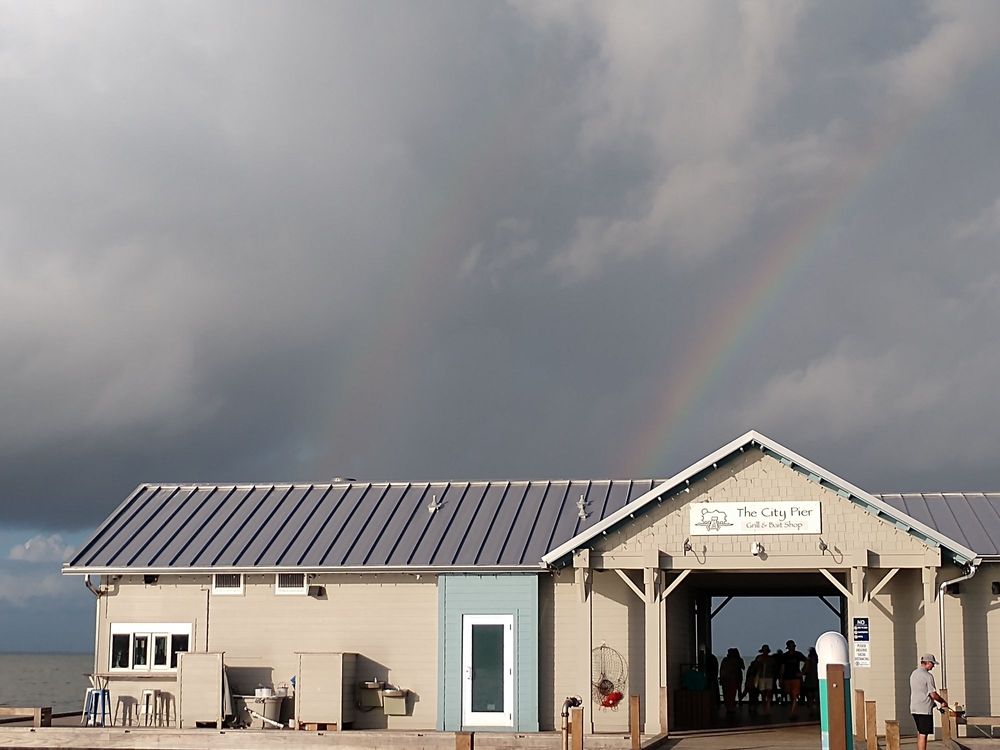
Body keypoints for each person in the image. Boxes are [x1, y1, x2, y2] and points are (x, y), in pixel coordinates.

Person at [910, 654, 950, 750]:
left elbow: (921, 691)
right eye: (932, 664)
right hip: (924, 709)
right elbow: (932, 694)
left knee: (920, 732)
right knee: (924, 734)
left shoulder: (914, 674)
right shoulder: (928, 676)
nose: (933, 666)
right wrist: (942, 701)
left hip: (914, 707)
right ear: (928, 663)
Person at [781, 639, 807, 719]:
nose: (793, 647)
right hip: (787, 677)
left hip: (796, 678)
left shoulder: (798, 654)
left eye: (794, 646)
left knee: (795, 695)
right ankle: (793, 710)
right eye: (791, 646)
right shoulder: (785, 656)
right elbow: (782, 667)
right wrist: (781, 678)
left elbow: (807, 661)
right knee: (790, 695)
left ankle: (792, 712)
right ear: (788, 647)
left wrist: (803, 672)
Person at [719, 647, 745, 715]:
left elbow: (722, 670)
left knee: (728, 693)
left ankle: (729, 706)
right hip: (735, 678)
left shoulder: (725, 660)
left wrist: (721, 678)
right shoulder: (738, 660)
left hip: (730, 678)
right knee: (733, 692)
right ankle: (733, 704)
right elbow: (743, 667)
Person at [753, 645, 776, 715]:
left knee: (769, 693)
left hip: (769, 677)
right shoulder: (759, 658)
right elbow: (754, 667)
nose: (765, 651)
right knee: (763, 694)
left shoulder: (771, 659)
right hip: (761, 678)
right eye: (764, 650)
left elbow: (774, 668)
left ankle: (767, 707)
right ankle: (765, 708)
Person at [802, 647, 819, 715]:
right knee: (817, 697)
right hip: (816, 680)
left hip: (809, 681)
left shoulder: (808, 661)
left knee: (810, 697)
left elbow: (804, 670)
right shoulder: (819, 661)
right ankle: (818, 710)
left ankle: (811, 710)